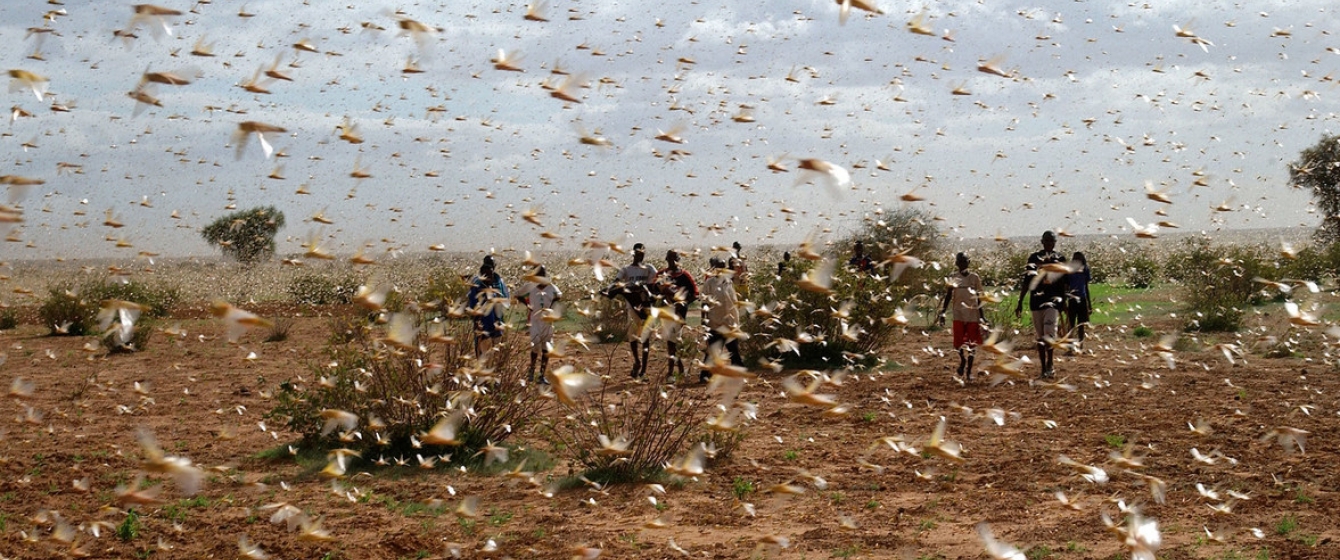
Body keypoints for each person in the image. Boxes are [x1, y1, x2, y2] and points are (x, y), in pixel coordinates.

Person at [1014, 231, 1067, 378]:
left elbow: (1063, 283)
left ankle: (1049, 364)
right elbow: (1027, 281)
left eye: (1052, 241)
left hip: (1053, 303)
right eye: (1047, 241)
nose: (1049, 243)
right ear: (1042, 242)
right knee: (1040, 337)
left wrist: (1064, 303)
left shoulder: (1060, 259)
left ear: (1055, 242)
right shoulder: (1034, 258)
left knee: (1048, 335)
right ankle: (1044, 367)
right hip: (1036, 303)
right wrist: (1020, 302)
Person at [938, 253, 985, 381]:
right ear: (956, 264)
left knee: (972, 344)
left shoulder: (974, 278)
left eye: (965, 261)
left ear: (969, 262)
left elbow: (979, 298)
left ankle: (969, 371)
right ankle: (963, 361)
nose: (962, 264)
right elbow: (948, 296)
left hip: (972, 315)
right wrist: (942, 313)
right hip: (958, 314)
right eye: (960, 262)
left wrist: (982, 316)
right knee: (958, 343)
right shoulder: (953, 277)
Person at [653, 249, 698, 380]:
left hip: (679, 312)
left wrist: (682, 303)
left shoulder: (685, 276)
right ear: (666, 259)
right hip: (666, 310)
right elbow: (654, 290)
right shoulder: (661, 274)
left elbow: (695, 294)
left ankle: (672, 371)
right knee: (671, 340)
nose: (672, 261)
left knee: (673, 340)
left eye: (675, 258)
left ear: (679, 260)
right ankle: (679, 369)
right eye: (670, 258)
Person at [616, 243, 657, 378]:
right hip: (632, 307)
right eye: (637, 253)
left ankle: (644, 370)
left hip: (645, 307)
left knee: (645, 337)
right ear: (633, 253)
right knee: (633, 337)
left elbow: (656, 284)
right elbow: (617, 282)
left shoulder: (649, 269)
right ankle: (637, 361)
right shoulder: (626, 270)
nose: (640, 255)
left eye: (642, 253)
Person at [701, 257, 743, 382]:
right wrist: (704, 320)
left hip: (729, 323)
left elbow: (733, 301)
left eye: (723, 266)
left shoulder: (728, 282)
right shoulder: (709, 283)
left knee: (734, 350)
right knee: (714, 351)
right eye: (719, 266)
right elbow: (704, 302)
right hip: (715, 322)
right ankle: (705, 375)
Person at [517, 266, 561, 383]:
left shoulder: (551, 287)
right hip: (535, 321)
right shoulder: (530, 286)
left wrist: (552, 307)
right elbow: (517, 294)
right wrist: (527, 305)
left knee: (546, 348)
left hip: (548, 322)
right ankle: (531, 371)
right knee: (535, 346)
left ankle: (541, 375)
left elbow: (559, 296)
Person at [467, 261, 509, 357]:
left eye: (491, 274)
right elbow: (473, 306)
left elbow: (502, 305)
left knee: (494, 352)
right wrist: (477, 322)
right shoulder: (477, 288)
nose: (490, 276)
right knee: (482, 351)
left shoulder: (495, 287)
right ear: (482, 275)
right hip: (483, 325)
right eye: (487, 274)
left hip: (494, 325)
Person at [1065, 251, 1092, 351]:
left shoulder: (1085, 269)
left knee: (1081, 325)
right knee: (1071, 324)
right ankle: (1070, 346)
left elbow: (1086, 286)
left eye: (1079, 259)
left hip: (1082, 299)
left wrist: (1089, 304)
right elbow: (1066, 286)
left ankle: (1080, 346)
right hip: (1072, 299)